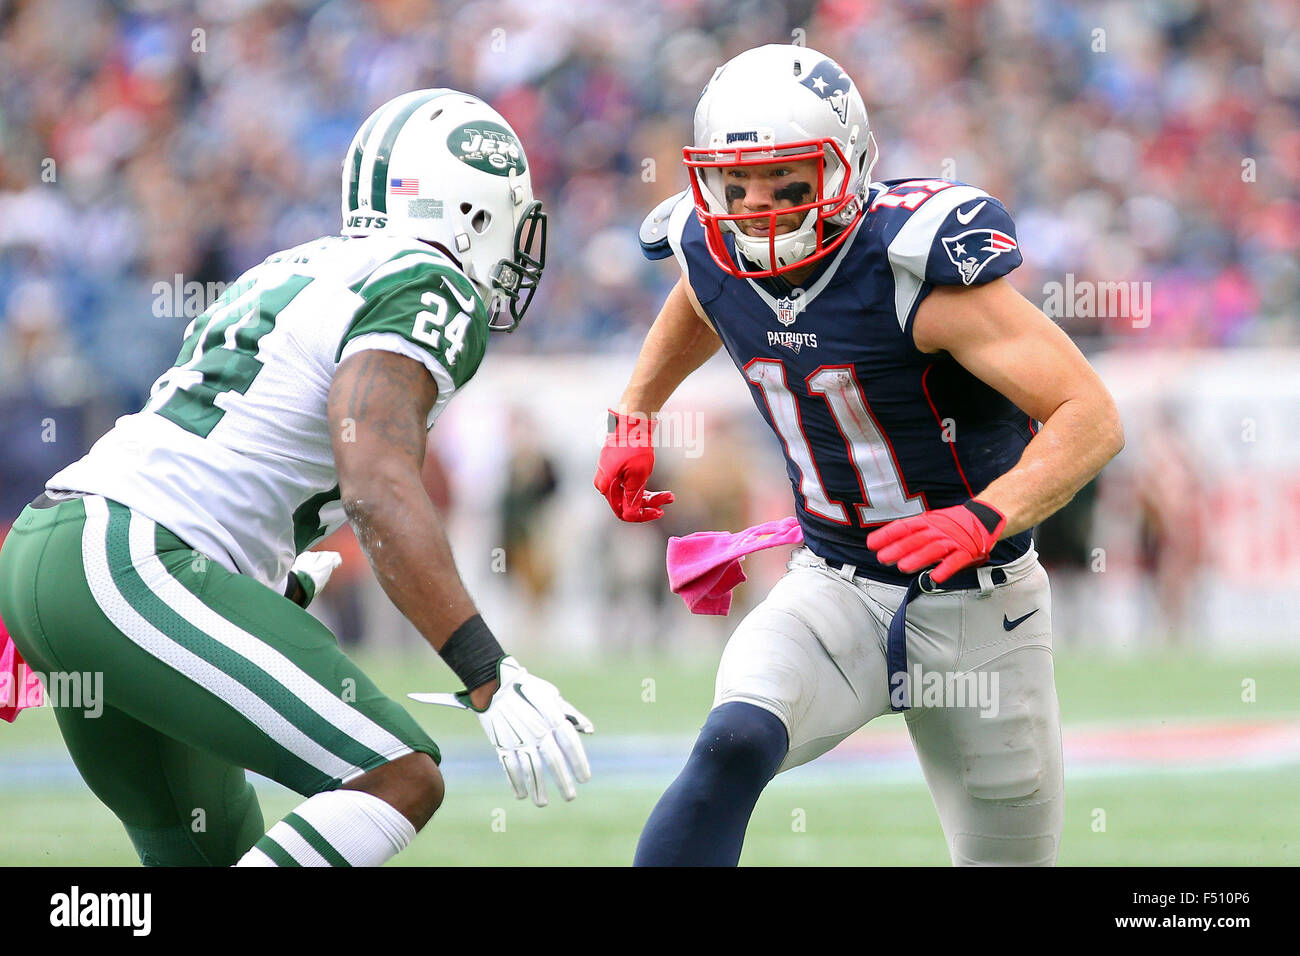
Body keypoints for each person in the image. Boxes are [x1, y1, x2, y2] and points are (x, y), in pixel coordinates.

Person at [0, 89, 593, 867]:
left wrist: (254, 569)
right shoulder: (427, 282)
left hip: (61, 553)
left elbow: (229, 449)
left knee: (207, 854)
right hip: (130, 561)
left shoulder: (295, 265)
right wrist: (486, 670)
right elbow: (375, 484)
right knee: (395, 776)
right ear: (474, 213)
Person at [594, 45, 1124, 866]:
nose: (755, 210)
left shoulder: (913, 270)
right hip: (833, 586)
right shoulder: (708, 245)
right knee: (732, 741)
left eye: (785, 182)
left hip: (983, 607)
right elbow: (698, 299)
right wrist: (634, 414)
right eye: (736, 186)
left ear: (845, 167)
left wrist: (988, 514)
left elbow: (1089, 415)